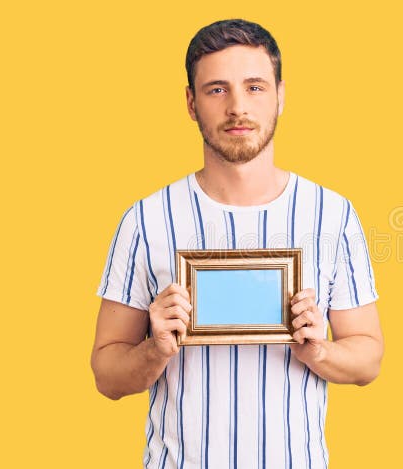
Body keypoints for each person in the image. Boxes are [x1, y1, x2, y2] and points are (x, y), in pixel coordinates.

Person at [90, 19, 384, 468]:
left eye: (254, 87)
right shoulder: (146, 220)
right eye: (216, 90)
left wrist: (319, 350)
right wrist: (154, 349)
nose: (237, 107)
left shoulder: (333, 214)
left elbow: (368, 359)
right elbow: (106, 376)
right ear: (191, 102)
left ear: (280, 96)